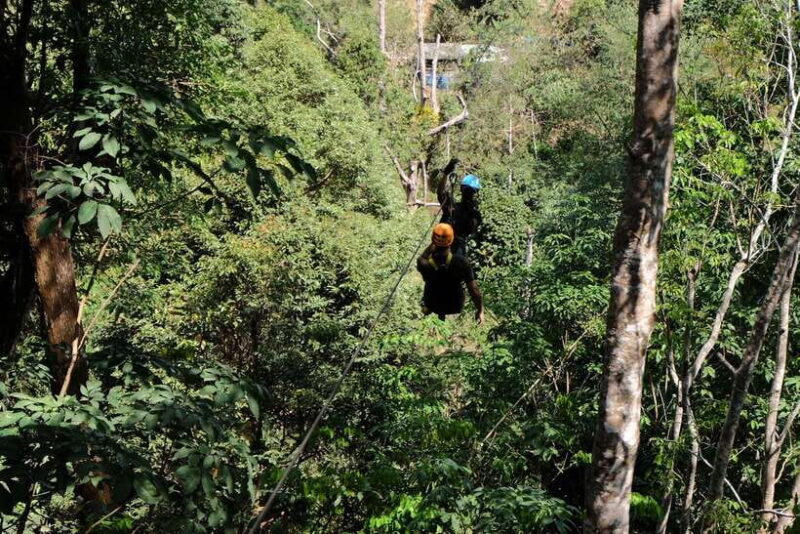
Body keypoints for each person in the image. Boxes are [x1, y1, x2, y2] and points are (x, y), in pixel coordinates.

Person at [417, 223, 484, 323]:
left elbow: (423, 256)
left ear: (433, 241)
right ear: (451, 241)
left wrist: (434, 243)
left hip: (434, 304)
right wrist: (480, 310)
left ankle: (429, 309)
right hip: (454, 305)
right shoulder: (461, 262)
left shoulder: (423, 263)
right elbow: (473, 289)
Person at [436, 158, 482, 258]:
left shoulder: (473, 214)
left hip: (453, 248)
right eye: (469, 191)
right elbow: (441, 193)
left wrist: (445, 174)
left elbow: (472, 229)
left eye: (471, 192)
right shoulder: (453, 207)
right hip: (447, 247)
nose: (470, 194)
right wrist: (446, 174)